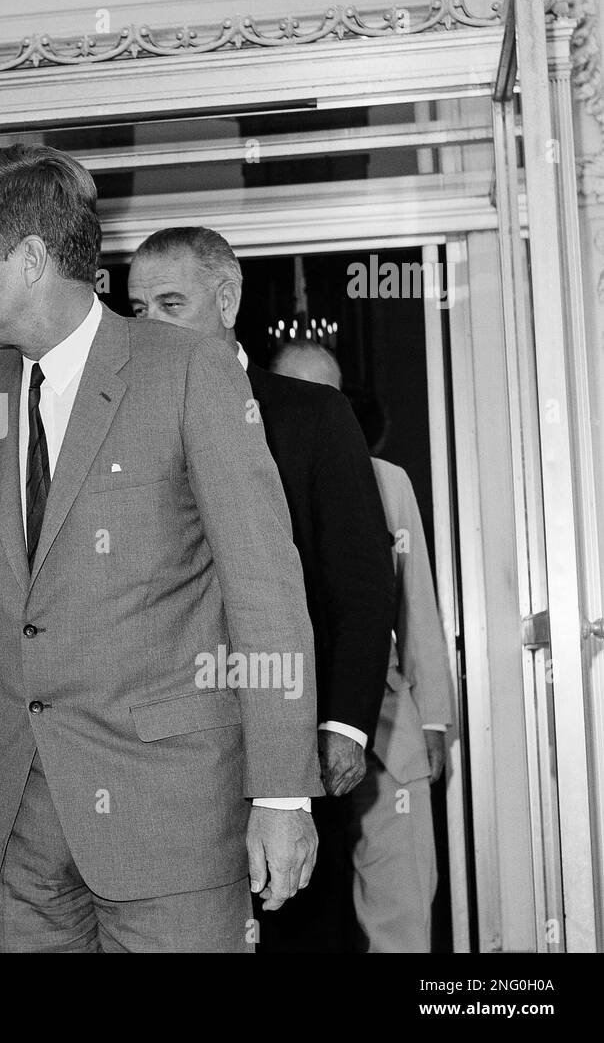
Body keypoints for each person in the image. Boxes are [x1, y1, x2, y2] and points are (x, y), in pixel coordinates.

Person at [0, 145, 321, 953]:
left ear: (30, 260)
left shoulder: (190, 370)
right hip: (12, 822)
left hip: (171, 818)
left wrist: (282, 795)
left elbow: (265, 591)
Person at [128, 227, 395, 952]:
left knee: (303, 933)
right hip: (167, 755)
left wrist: (342, 725)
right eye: (137, 307)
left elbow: (364, 584)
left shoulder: (311, 414)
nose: (148, 324)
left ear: (227, 299)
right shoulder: (120, 427)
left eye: (169, 303)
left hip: (292, 740)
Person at [273, 341, 453, 952]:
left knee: (401, 902)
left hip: (387, 720)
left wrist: (432, 717)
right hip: (284, 719)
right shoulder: (245, 472)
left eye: (333, 392)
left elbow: (416, 606)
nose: (322, 406)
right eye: (304, 389)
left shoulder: (388, 482)